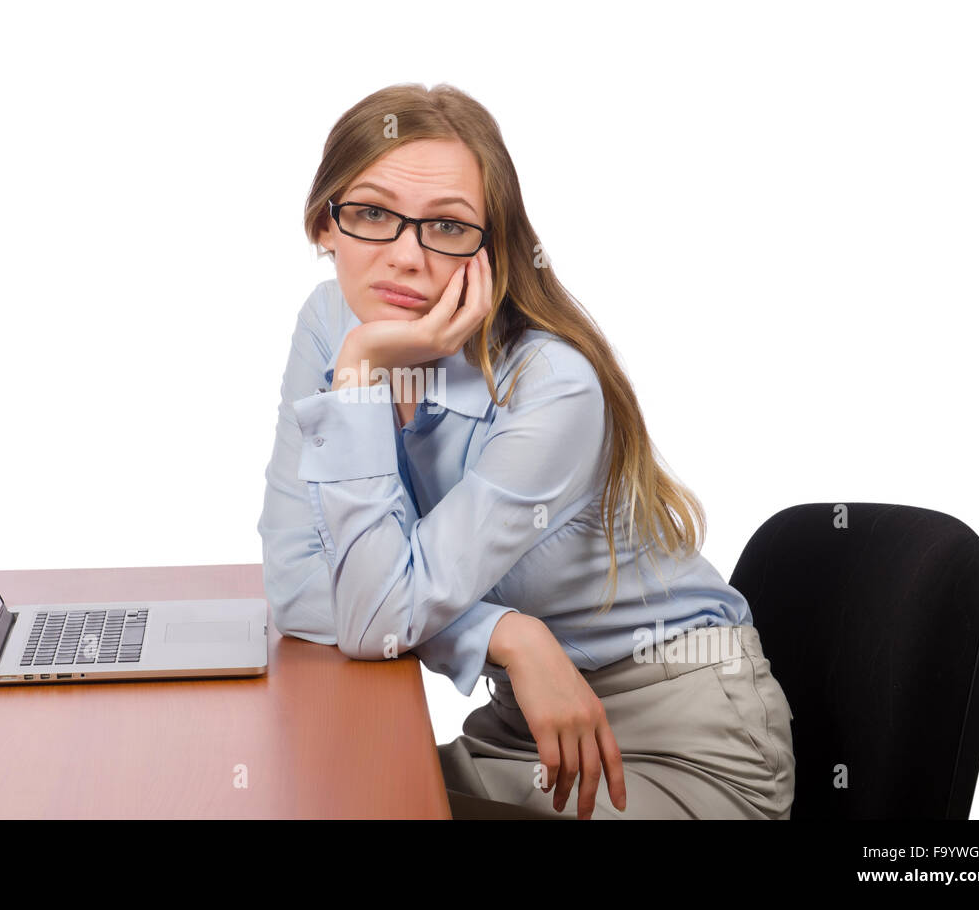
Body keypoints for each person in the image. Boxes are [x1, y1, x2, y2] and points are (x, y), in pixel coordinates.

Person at [256, 82, 794, 820]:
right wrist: (507, 635)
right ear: (326, 224)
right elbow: (298, 582)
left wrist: (360, 374)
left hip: (681, 745)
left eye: (446, 227)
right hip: (528, 727)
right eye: (373, 214)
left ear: (490, 247)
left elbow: (374, 610)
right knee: (308, 792)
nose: (407, 257)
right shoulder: (334, 326)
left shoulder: (552, 386)